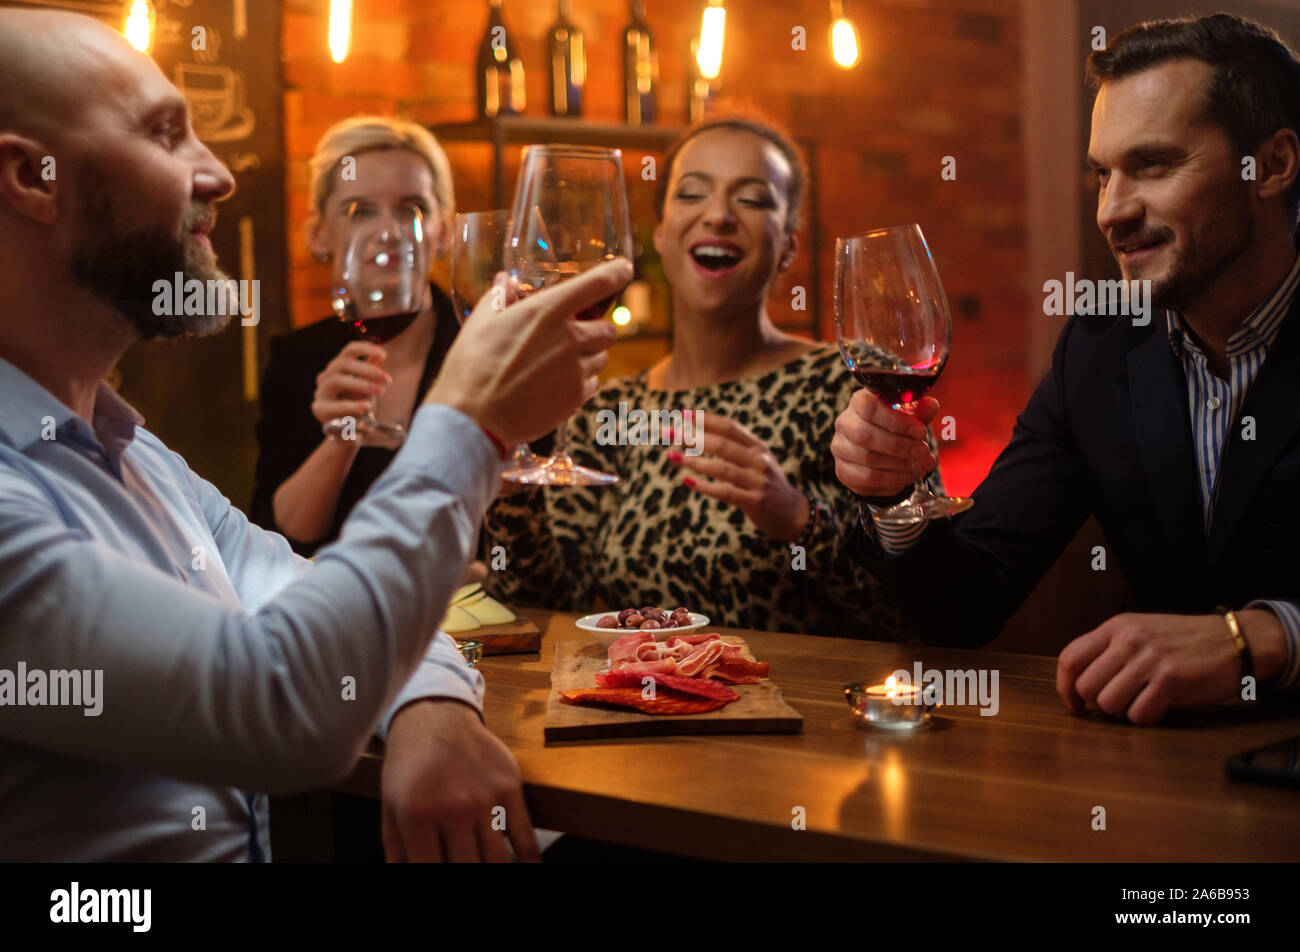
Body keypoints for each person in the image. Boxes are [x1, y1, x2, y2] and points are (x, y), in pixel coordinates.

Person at [0, 9, 628, 860]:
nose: (218, 175)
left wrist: (432, 707)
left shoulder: (133, 455)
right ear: (31, 176)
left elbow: (321, 593)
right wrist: (472, 420)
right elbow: (278, 700)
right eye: (165, 133)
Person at [832, 13, 1300, 724]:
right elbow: (967, 605)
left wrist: (1260, 636)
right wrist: (896, 498)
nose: (1112, 210)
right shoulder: (1101, 346)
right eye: (1103, 174)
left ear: (1270, 165)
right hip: (1154, 784)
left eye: (1153, 165)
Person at [485, 115, 932, 638]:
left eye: (752, 199)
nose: (717, 215)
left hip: (809, 711)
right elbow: (546, 606)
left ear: (788, 245)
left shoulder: (854, 385)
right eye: (693, 193)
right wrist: (509, 486)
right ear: (661, 235)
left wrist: (797, 520)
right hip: (644, 710)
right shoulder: (609, 411)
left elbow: (921, 608)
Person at [250, 117, 464, 557]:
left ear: (443, 231)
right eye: (360, 211)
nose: (388, 232)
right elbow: (280, 543)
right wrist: (339, 443)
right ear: (319, 234)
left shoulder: (485, 347)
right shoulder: (296, 360)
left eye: (411, 209)